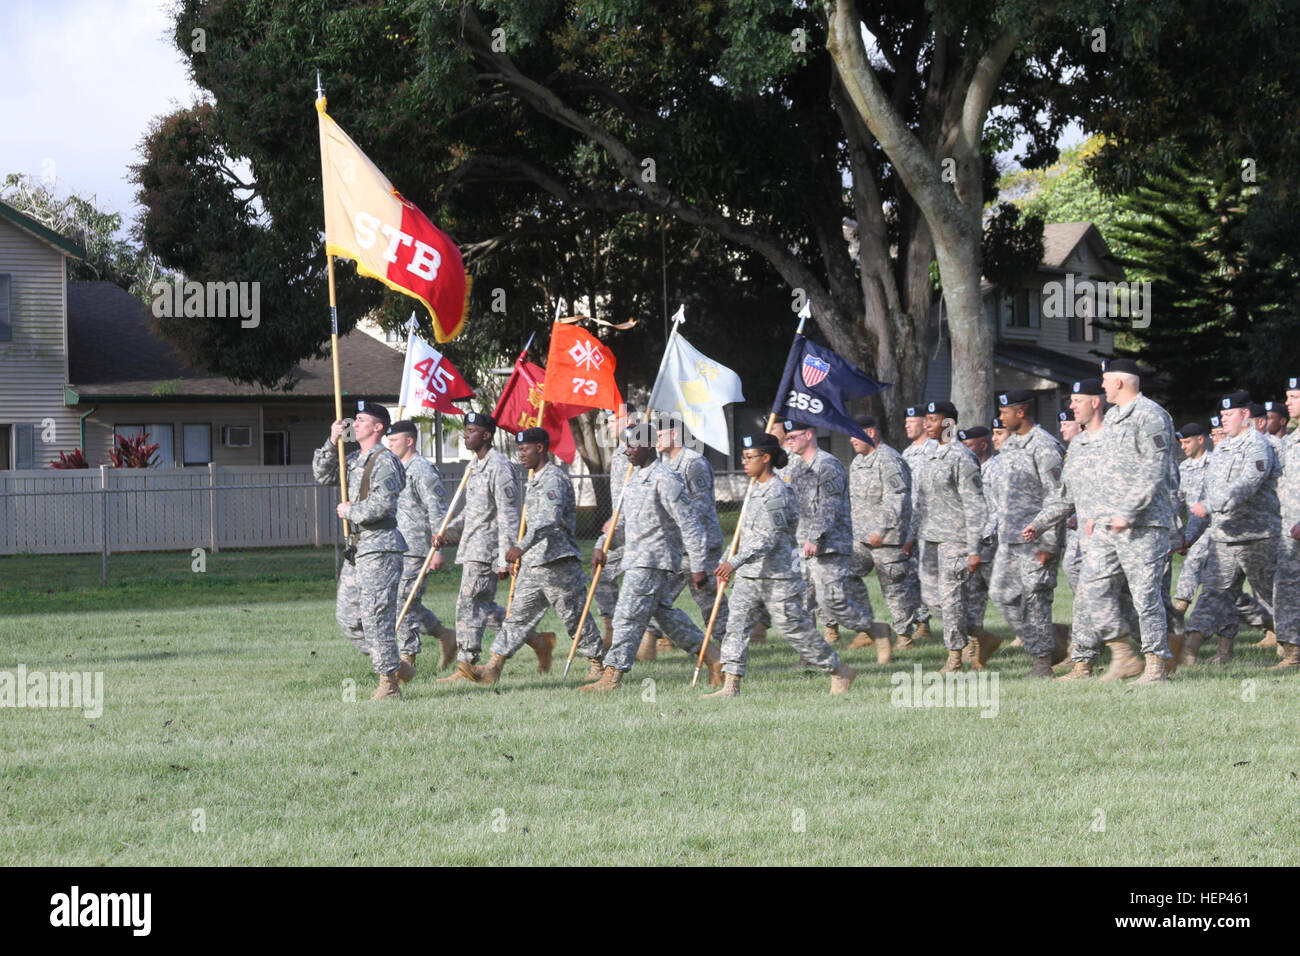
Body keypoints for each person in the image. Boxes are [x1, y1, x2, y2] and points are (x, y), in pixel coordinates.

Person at [707, 434, 857, 697]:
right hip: (751, 575)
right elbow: (744, 531)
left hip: (778, 576)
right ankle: (731, 686)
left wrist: (735, 562)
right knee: (736, 627)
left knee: (793, 628)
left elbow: (769, 537)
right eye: (742, 457)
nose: (744, 462)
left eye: (749, 457)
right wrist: (727, 559)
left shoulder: (778, 492)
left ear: (766, 458)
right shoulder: (754, 488)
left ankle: (838, 669)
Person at [584, 422, 720, 691]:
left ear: (648, 446)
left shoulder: (665, 479)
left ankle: (612, 676)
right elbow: (620, 521)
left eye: (632, 445)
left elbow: (690, 523)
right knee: (666, 617)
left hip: (653, 560)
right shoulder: (634, 479)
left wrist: (698, 564)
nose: (626, 452)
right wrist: (602, 544)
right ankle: (714, 658)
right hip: (635, 557)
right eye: (625, 446)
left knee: (627, 615)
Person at [468, 428, 602, 685]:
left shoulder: (553, 478)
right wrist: (524, 555)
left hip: (558, 562)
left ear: (540, 448)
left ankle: (598, 664)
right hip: (534, 563)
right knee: (516, 617)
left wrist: (522, 546)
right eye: (518, 449)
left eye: (525, 449)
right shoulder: (534, 478)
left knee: (574, 617)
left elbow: (549, 520)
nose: (521, 455)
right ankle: (494, 667)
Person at [1025, 379, 1138, 680]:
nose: (1071, 406)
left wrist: (1102, 513)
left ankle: (1162, 646)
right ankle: (1086, 662)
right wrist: (1039, 523)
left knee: (1133, 598)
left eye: (1077, 400)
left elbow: (1129, 484)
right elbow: (1066, 496)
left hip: (1123, 534)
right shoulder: (1077, 446)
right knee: (1092, 596)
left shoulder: (1116, 440)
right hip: (1091, 541)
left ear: (1096, 402)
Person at [433, 412, 550, 683]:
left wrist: (504, 558)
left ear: (486, 435)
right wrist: (446, 531)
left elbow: (509, 515)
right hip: (472, 547)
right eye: (465, 430)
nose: (465, 435)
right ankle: (537, 640)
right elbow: (473, 513)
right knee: (480, 608)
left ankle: (467, 665)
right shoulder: (475, 466)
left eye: (472, 430)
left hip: (488, 550)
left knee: (469, 606)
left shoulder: (499, 466)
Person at [1081, 359, 1177, 683]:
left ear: (1119, 382)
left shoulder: (1150, 415)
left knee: (1145, 596)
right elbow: (1106, 470)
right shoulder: (1112, 417)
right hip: (1109, 523)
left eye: (1105, 380)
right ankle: (1123, 653)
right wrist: (1095, 512)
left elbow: (1155, 468)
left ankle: (1155, 666)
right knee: (1092, 587)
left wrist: (1128, 511)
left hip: (1144, 524)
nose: (1103, 386)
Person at [312, 402, 411, 700]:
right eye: (354, 419)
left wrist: (351, 510)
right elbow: (323, 475)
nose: (354, 423)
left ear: (378, 426)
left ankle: (389, 685)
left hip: (380, 547)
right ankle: (395, 666)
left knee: (375, 616)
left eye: (361, 419)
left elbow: (384, 504)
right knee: (348, 618)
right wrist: (332, 441)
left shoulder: (386, 461)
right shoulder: (354, 458)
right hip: (358, 549)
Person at [1184, 392, 1280, 664]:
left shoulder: (1258, 446)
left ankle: (1290, 643)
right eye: (1222, 415)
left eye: (1230, 414)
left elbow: (1249, 482)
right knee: (1215, 591)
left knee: (1272, 595)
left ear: (1245, 415)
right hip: (1225, 536)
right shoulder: (1222, 449)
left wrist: (1212, 504)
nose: (1224, 419)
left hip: (1257, 536)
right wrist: (1189, 537)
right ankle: (1192, 650)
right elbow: (1206, 494)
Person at [781, 419, 883, 648]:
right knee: (802, 600)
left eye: (793, 437)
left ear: (809, 435)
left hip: (830, 546)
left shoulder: (828, 465)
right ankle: (808, 652)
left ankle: (872, 629)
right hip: (801, 545)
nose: (789, 442)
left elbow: (830, 504)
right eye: (787, 438)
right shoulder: (797, 469)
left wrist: (815, 537)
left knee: (831, 600)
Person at [987, 389, 1068, 677]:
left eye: (1004, 412)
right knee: (1000, 594)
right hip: (1010, 539)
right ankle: (1052, 642)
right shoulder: (1009, 447)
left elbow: (1059, 497)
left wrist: (1048, 541)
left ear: (1020, 413)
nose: (1000, 416)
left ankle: (1042, 663)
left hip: (1036, 540)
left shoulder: (1044, 446)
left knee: (1035, 599)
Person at [638, 417, 730, 661]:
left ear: (675, 435)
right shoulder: (667, 464)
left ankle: (730, 650)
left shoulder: (693, 463)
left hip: (701, 543)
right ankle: (649, 646)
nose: (655, 440)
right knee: (660, 594)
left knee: (709, 600)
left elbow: (700, 507)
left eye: (660, 435)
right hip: (678, 547)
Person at [905, 401, 987, 673]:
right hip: (929, 539)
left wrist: (974, 547)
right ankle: (976, 636)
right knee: (931, 600)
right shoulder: (928, 454)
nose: (926, 424)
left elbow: (975, 505)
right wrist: (910, 536)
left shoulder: (962, 458)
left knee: (951, 599)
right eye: (925, 419)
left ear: (948, 424)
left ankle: (955, 658)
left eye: (932, 419)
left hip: (956, 539)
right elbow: (921, 502)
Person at [383, 420, 458, 674]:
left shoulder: (423, 470)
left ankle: (408, 660)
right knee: (406, 601)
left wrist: (437, 549)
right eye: (388, 441)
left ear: (410, 441)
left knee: (403, 602)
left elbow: (438, 511)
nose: (389, 445)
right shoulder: (397, 468)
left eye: (394, 441)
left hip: (418, 548)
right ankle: (445, 635)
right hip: (398, 546)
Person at [847, 414, 915, 662]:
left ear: (872, 433)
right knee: (845, 574)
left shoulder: (889, 459)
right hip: (860, 537)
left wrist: (881, 530)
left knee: (894, 589)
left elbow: (897, 498)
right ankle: (868, 627)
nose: (852, 439)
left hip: (886, 538)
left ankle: (905, 637)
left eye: (856, 433)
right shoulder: (857, 462)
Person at [958, 424, 1002, 664]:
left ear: (983, 445)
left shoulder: (995, 470)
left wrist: (983, 534)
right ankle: (974, 644)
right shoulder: (968, 471)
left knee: (1005, 595)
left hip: (992, 543)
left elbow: (999, 509)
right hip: (973, 543)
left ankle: (1036, 637)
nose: (965, 451)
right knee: (973, 596)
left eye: (969, 446)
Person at [900, 406, 937, 642]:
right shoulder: (906, 453)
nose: (907, 425)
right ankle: (921, 621)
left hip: (931, 522)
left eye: (911, 421)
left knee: (929, 575)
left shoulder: (934, 450)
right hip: (909, 523)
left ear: (924, 424)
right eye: (906, 421)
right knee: (910, 575)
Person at [1271, 377, 1300, 670]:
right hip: (1288, 530)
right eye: (1288, 396)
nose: (1288, 402)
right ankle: (1293, 652)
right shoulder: (1291, 440)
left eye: (1294, 397)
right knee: (1287, 588)